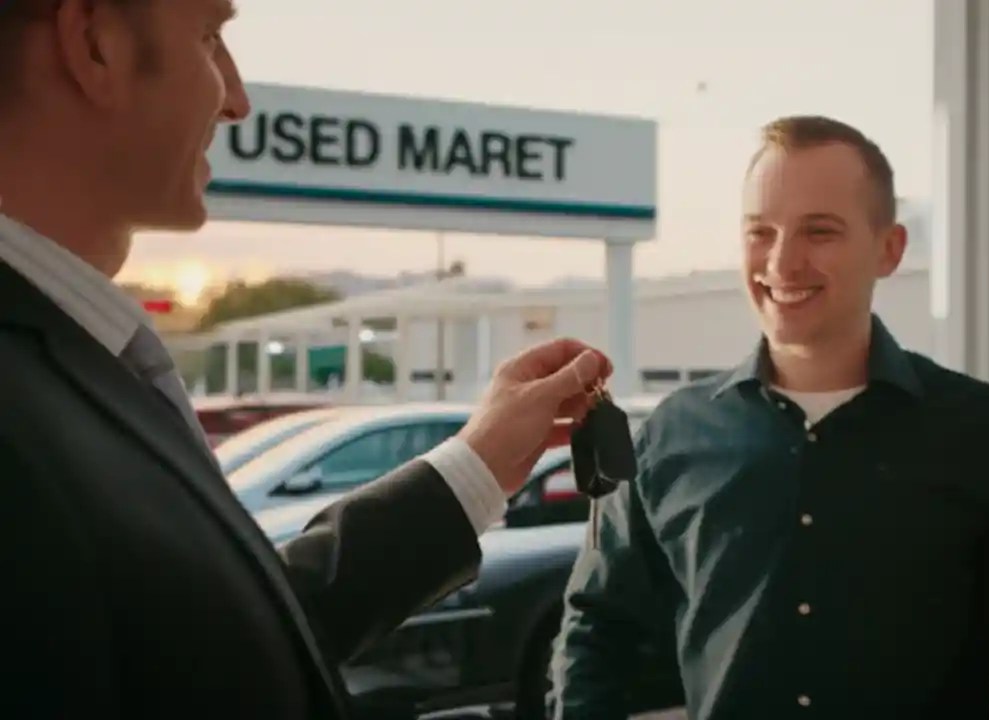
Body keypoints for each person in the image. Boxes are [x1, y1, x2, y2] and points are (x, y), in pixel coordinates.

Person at [0, 1, 609, 717]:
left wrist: (475, 466)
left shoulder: (76, 363)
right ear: (94, 43)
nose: (237, 99)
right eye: (210, 37)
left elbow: (224, 645)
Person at [551, 115, 989, 719]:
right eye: (760, 232)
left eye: (819, 232)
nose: (783, 262)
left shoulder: (985, 430)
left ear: (890, 248)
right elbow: (596, 629)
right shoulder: (671, 436)